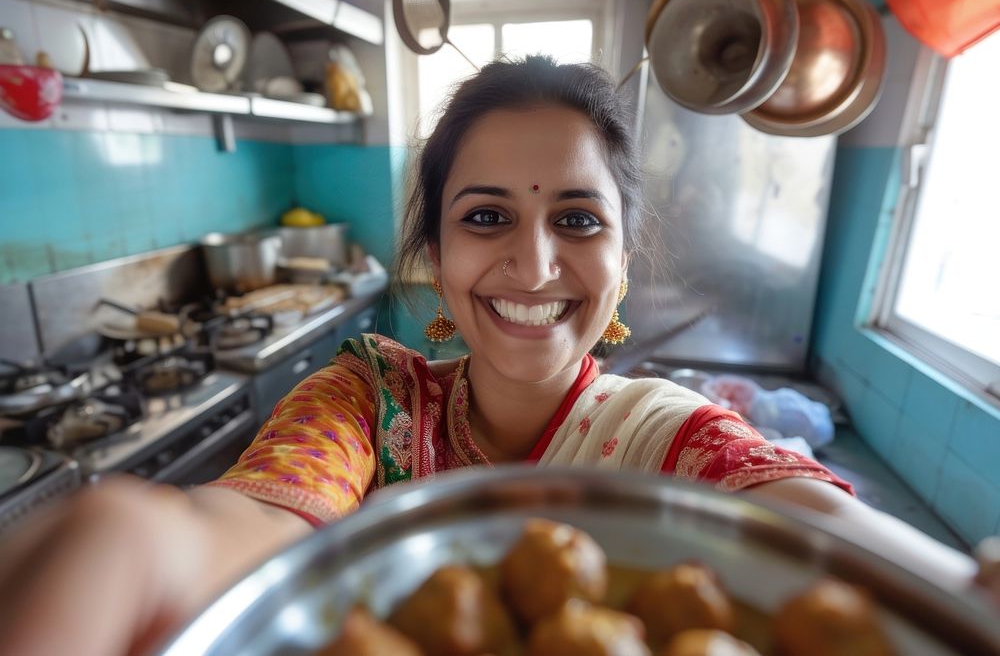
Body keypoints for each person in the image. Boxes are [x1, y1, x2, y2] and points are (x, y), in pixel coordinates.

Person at [0, 56, 983, 656]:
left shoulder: (671, 439)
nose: (533, 260)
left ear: (623, 264)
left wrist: (955, 591)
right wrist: (149, 541)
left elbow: (829, 546)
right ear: (432, 255)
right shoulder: (367, 402)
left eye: (576, 217)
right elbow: (263, 525)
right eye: (485, 216)